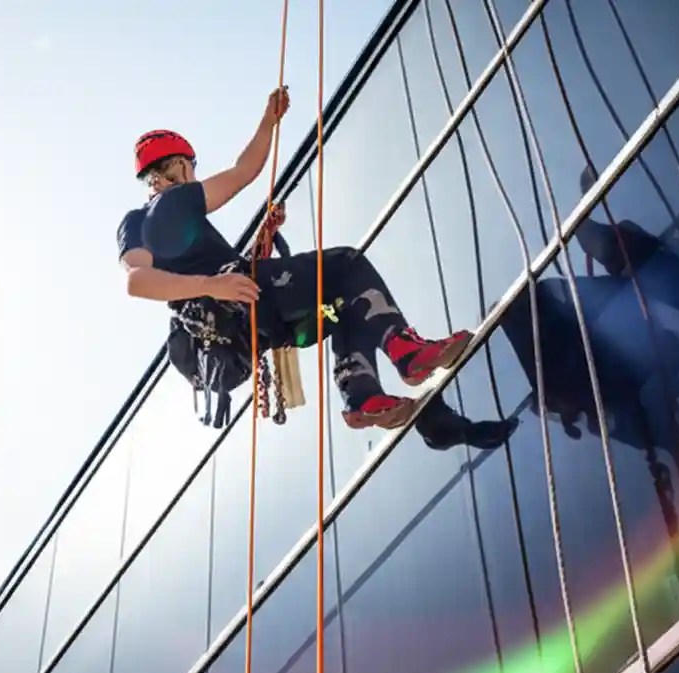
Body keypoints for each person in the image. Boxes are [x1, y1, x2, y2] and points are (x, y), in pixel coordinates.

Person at [116, 86, 514, 450]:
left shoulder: (149, 225)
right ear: (180, 166)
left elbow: (161, 272)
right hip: (246, 305)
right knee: (345, 265)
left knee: (340, 305)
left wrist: (252, 251)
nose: (195, 175)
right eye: (191, 166)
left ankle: (363, 397)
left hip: (255, 325)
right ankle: (404, 349)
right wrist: (268, 121)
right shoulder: (168, 205)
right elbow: (139, 280)